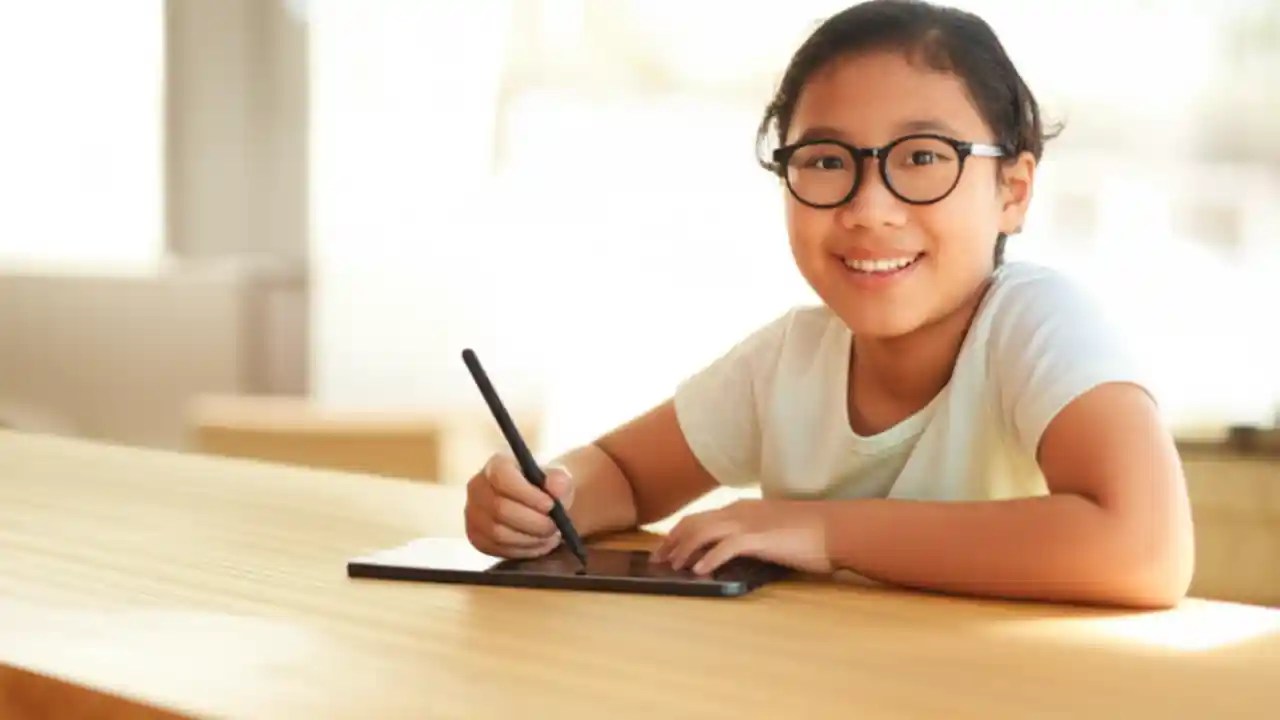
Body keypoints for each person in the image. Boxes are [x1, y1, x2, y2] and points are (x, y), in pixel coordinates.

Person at [463, 0, 1194, 609]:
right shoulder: (790, 360)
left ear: (1013, 191)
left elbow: (1148, 549)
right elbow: (620, 475)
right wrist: (540, 498)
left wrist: (821, 532)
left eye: (923, 158)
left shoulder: (1036, 324)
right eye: (825, 162)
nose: (869, 208)